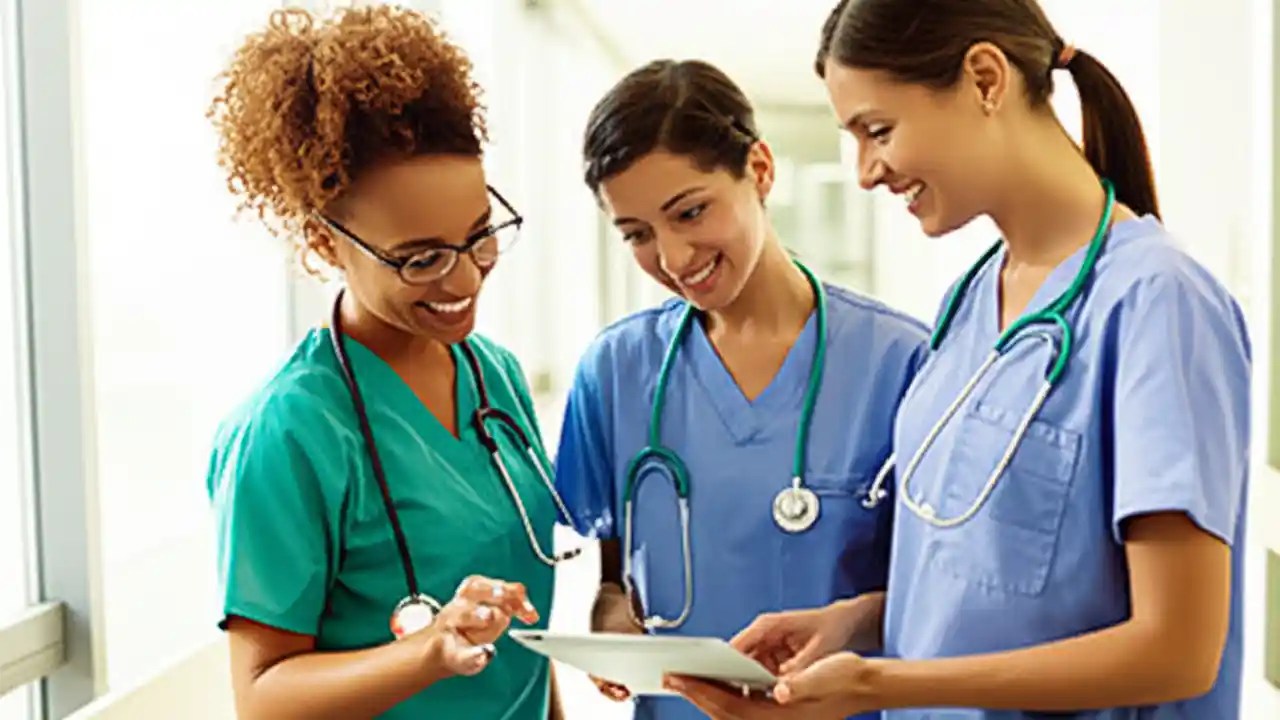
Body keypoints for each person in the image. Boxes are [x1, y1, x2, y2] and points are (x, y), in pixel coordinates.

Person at [665, 1, 1252, 719]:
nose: (866, 173)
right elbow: (1003, 584)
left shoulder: (1157, 303)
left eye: (878, 131)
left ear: (983, 80)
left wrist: (878, 685)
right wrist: (865, 620)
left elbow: (1176, 649)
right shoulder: (973, 300)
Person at [204, 6, 574, 718]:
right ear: (323, 244)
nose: (465, 280)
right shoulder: (287, 434)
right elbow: (262, 696)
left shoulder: (491, 374)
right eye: (421, 258)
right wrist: (427, 652)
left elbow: (515, 634)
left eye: (479, 236)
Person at [553, 58, 930, 720]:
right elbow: (614, 576)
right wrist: (611, 616)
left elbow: (941, 591)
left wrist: (854, 620)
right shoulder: (614, 373)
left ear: (759, 170)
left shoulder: (902, 362)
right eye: (637, 235)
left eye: (690, 212)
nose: (672, 259)